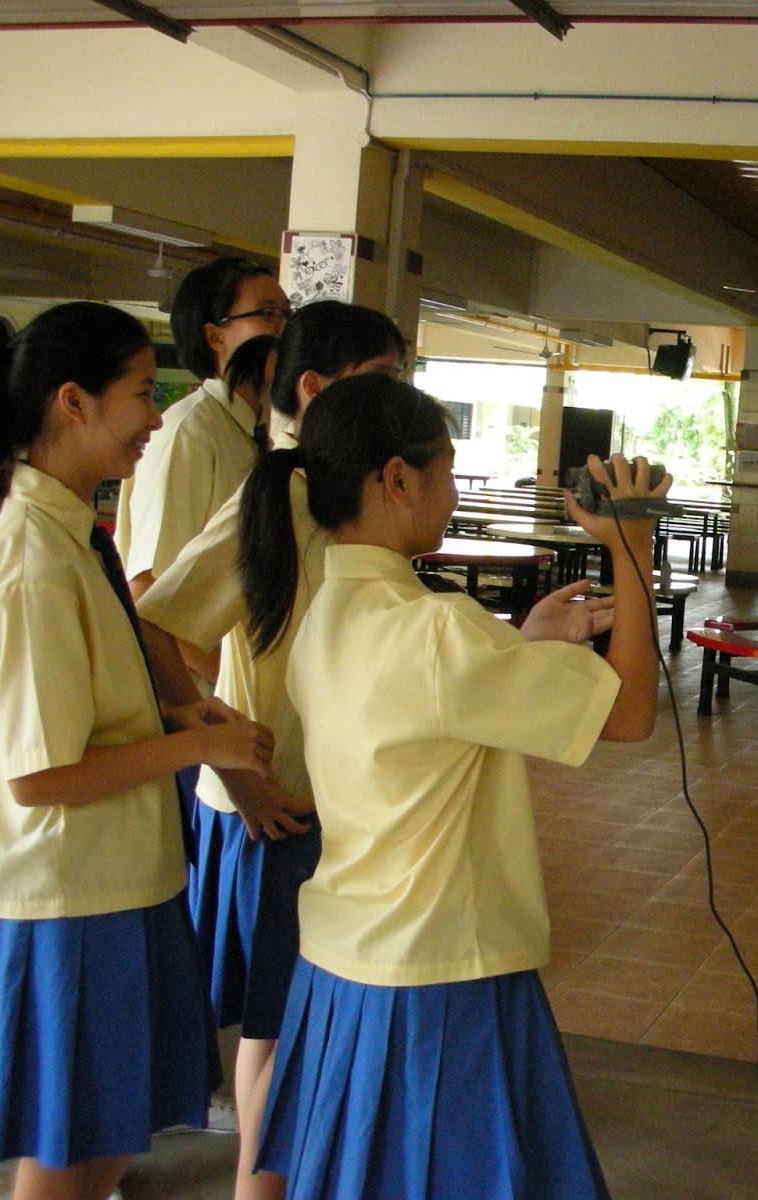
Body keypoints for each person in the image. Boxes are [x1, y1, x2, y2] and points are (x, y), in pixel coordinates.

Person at [247, 375, 664, 1200]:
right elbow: (630, 714)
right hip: (439, 977)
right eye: (446, 473)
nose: (455, 493)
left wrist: (520, 645)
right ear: (396, 480)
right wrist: (633, 550)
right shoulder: (437, 629)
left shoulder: (326, 614)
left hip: (344, 961)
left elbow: (424, 716)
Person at [0, 301, 274, 1200]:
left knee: (103, 1142)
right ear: (72, 402)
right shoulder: (34, 562)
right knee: (71, 1152)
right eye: (141, 394)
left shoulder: (71, 536)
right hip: (72, 900)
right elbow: (39, 775)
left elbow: (90, 716)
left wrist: (180, 720)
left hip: (113, 882)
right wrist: (202, 746)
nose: (154, 419)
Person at [135, 301, 407, 1200]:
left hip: (320, 803)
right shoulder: (280, 496)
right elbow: (156, 623)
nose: (399, 402)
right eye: (382, 383)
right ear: (316, 390)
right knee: (277, 1035)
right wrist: (226, 752)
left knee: (296, 1029)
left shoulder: (340, 496)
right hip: (274, 809)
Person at [116, 257, 289, 615]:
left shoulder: (251, 431)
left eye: (287, 315)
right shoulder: (190, 432)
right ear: (215, 336)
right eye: (267, 314)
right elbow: (151, 587)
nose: (283, 331)